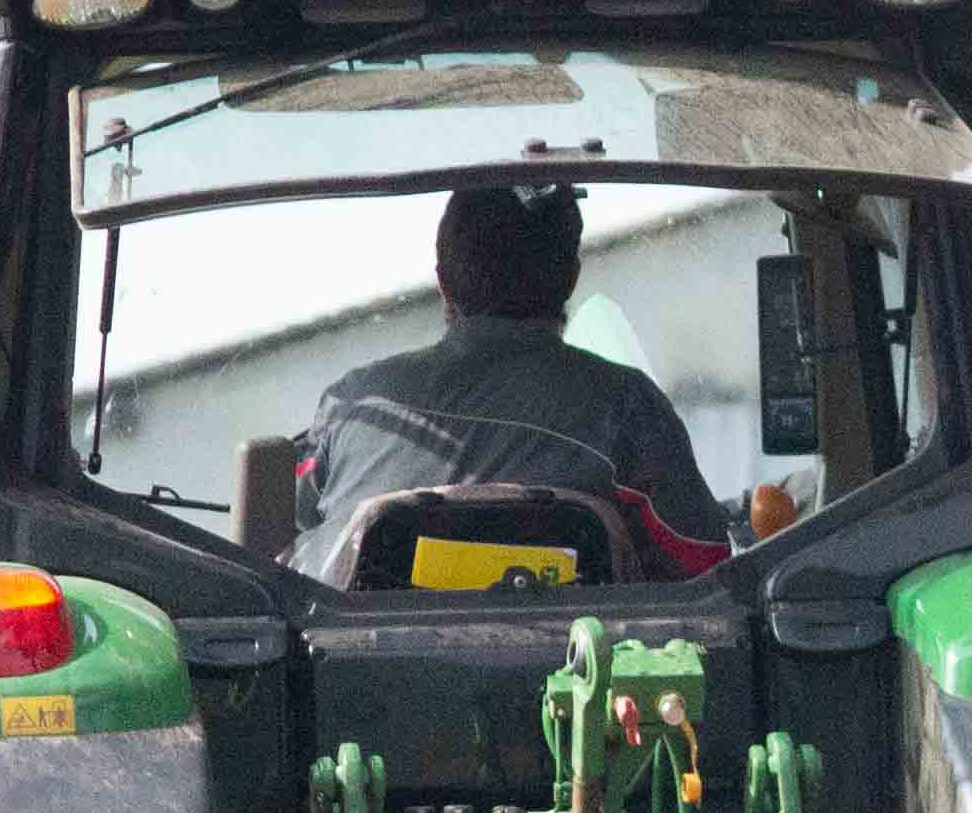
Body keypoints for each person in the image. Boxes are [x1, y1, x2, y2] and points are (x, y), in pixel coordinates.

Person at [292, 182, 726, 582]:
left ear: (443, 281)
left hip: (366, 666)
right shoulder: (629, 407)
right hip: (574, 664)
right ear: (571, 280)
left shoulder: (351, 403)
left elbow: (296, 542)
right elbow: (704, 565)